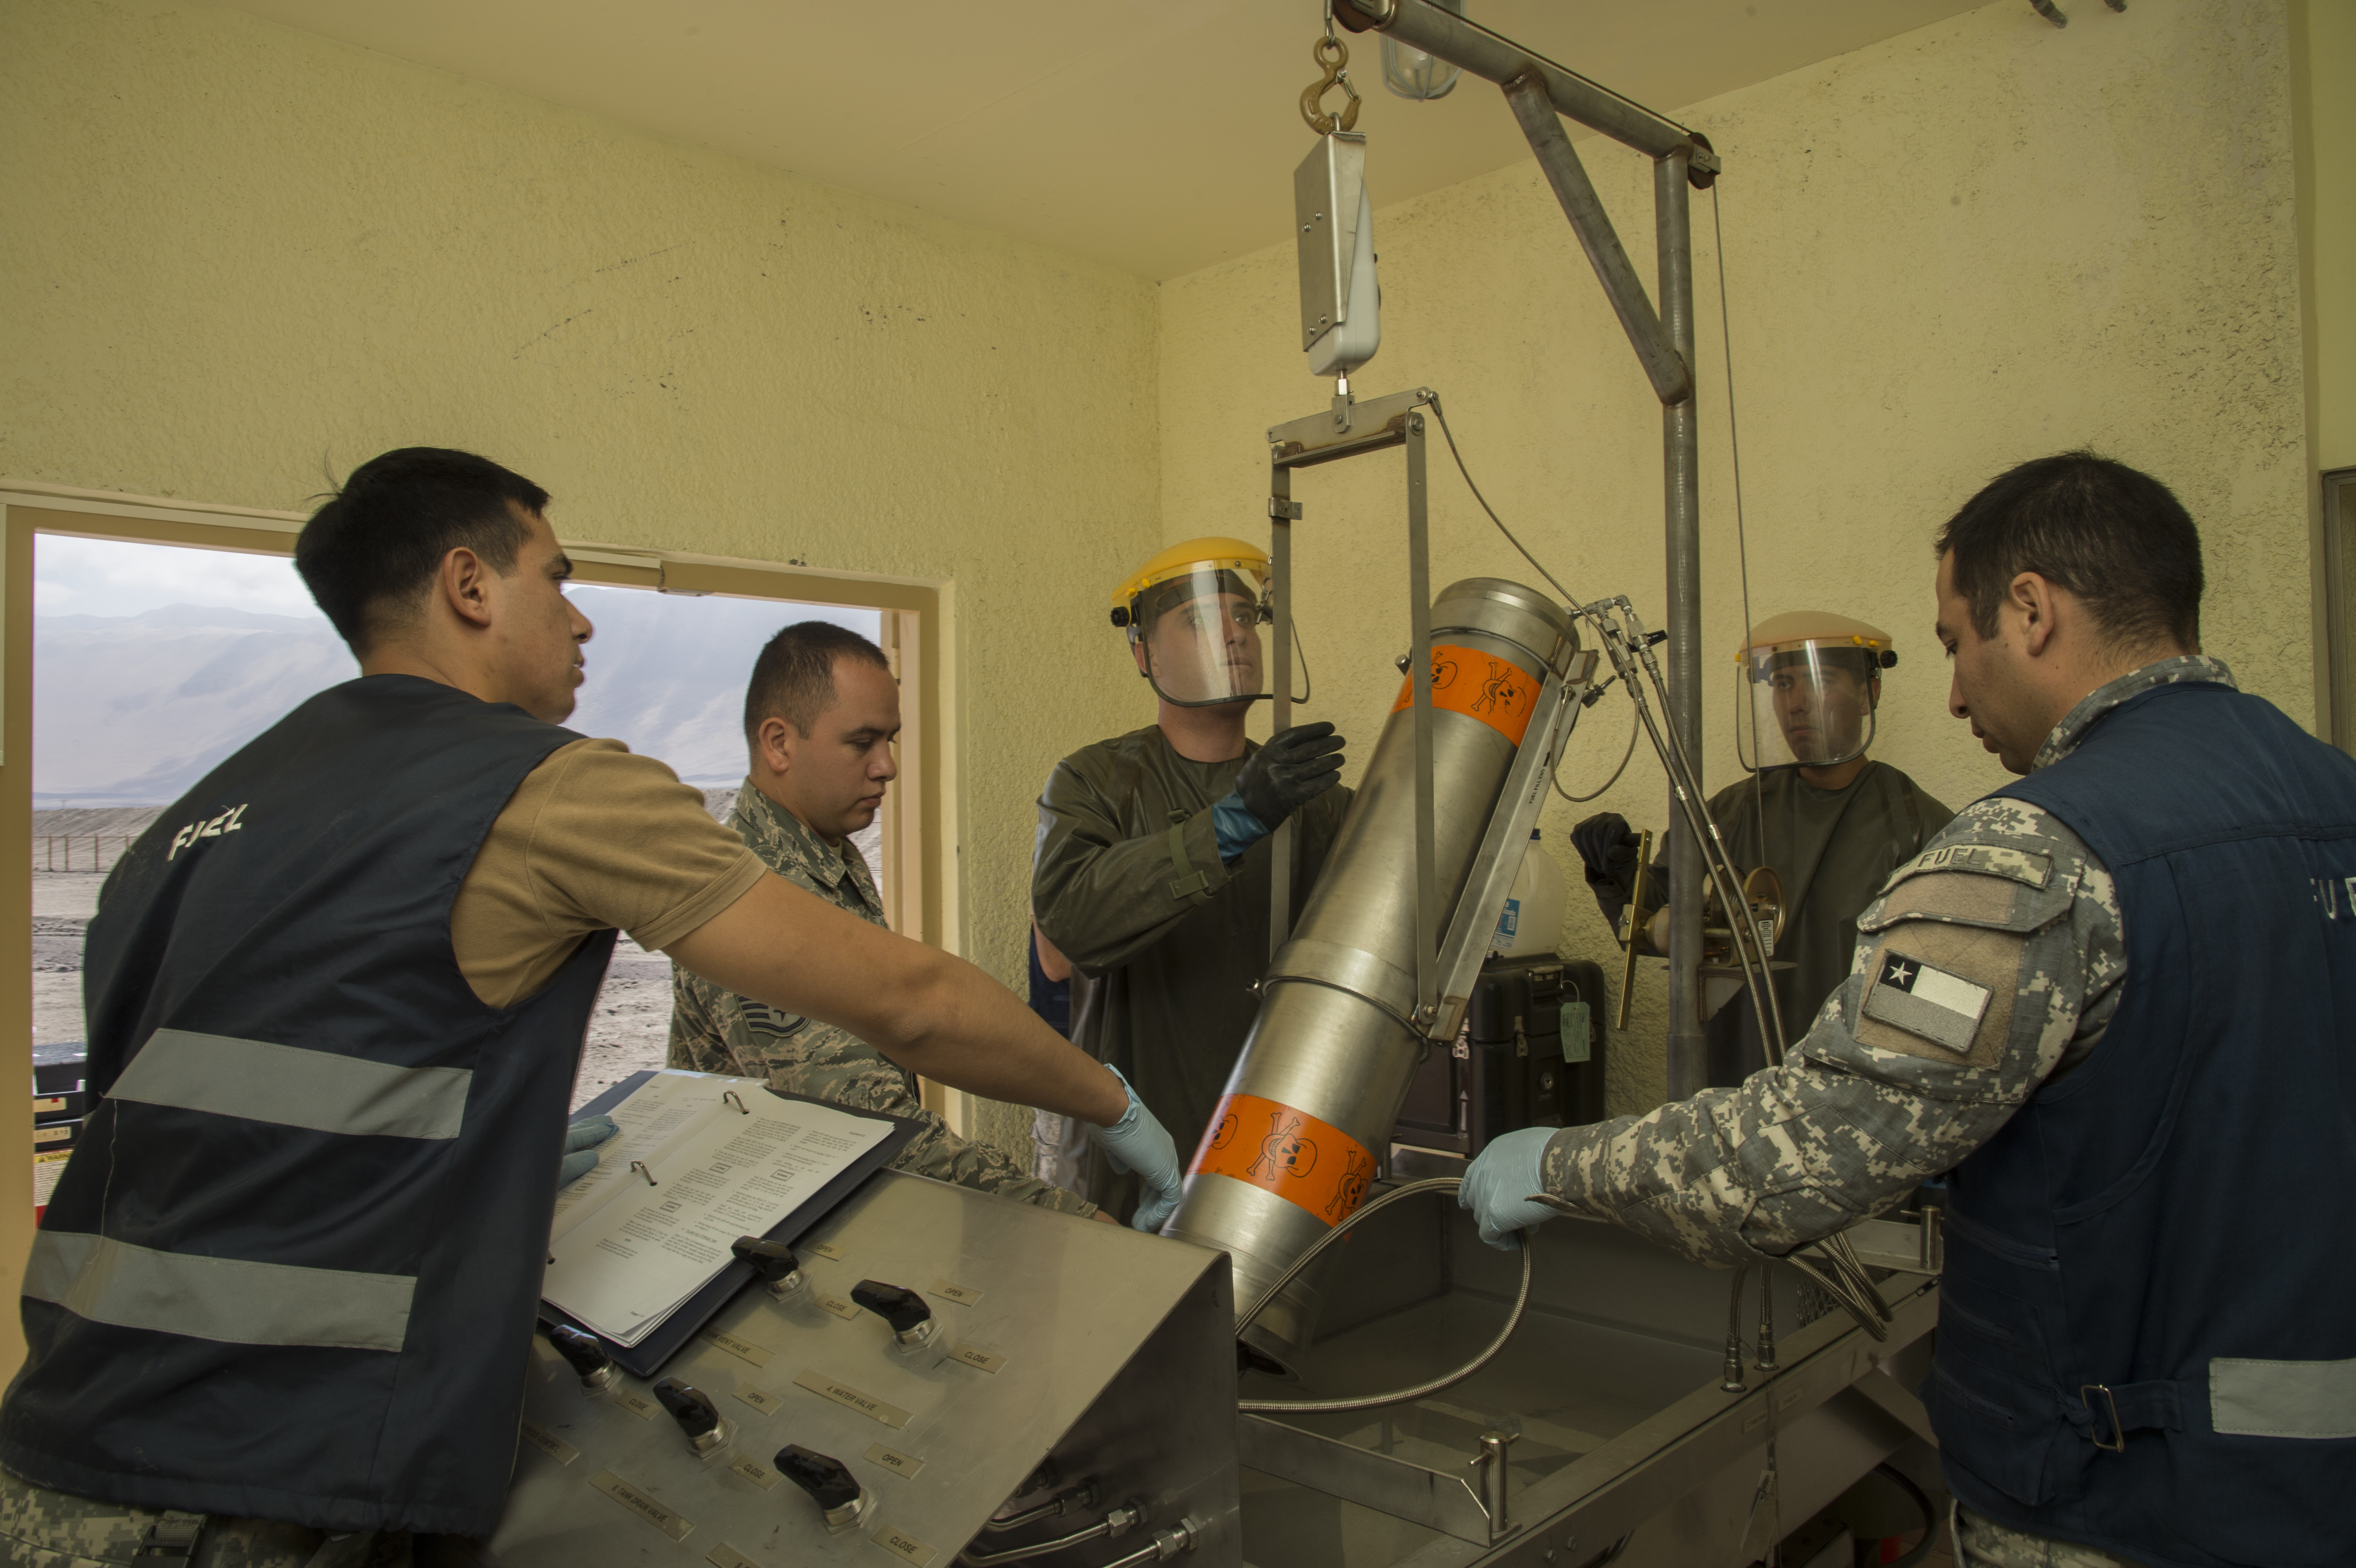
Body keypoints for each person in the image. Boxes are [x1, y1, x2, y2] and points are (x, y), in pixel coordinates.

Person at [0, 449, 1183, 1563]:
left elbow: (222, 1116)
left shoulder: (184, 829)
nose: (581, 618)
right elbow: (913, 1002)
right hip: (271, 1475)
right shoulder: (541, 784)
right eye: (555, 577)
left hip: (60, 1446)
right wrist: (1110, 1102)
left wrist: (481, 1160)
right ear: (469, 585)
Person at [1462, 452, 2356, 1568]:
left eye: (1953, 645)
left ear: (2030, 610)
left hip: (2127, 1500)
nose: (1954, 693)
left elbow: (1793, 1159)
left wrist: (1560, 1164)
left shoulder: (2034, 849)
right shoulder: (2335, 795)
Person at [668, 621, 1101, 1219]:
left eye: (890, 740)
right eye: (862, 743)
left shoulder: (825, 853)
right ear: (778, 743)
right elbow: (863, 1127)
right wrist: (1068, 1216)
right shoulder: (749, 892)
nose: (888, 767)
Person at [1032, 538, 1352, 1223]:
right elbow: (1068, 927)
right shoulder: (1095, 781)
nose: (1234, 633)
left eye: (1244, 616)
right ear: (1144, 654)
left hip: (1276, 1146)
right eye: (1202, 620)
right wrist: (1234, 823)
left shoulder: (1311, 798)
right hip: (1135, 1161)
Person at [1570, 611, 1952, 1081]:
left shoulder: (1919, 828)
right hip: (1740, 1090)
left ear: (1867, 693)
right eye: (1783, 684)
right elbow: (1658, 927)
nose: (1796, 704)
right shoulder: (1728, 815)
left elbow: (1942, 1008)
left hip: (1855, 1102)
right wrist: (1619, 871)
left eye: (1819, 681)